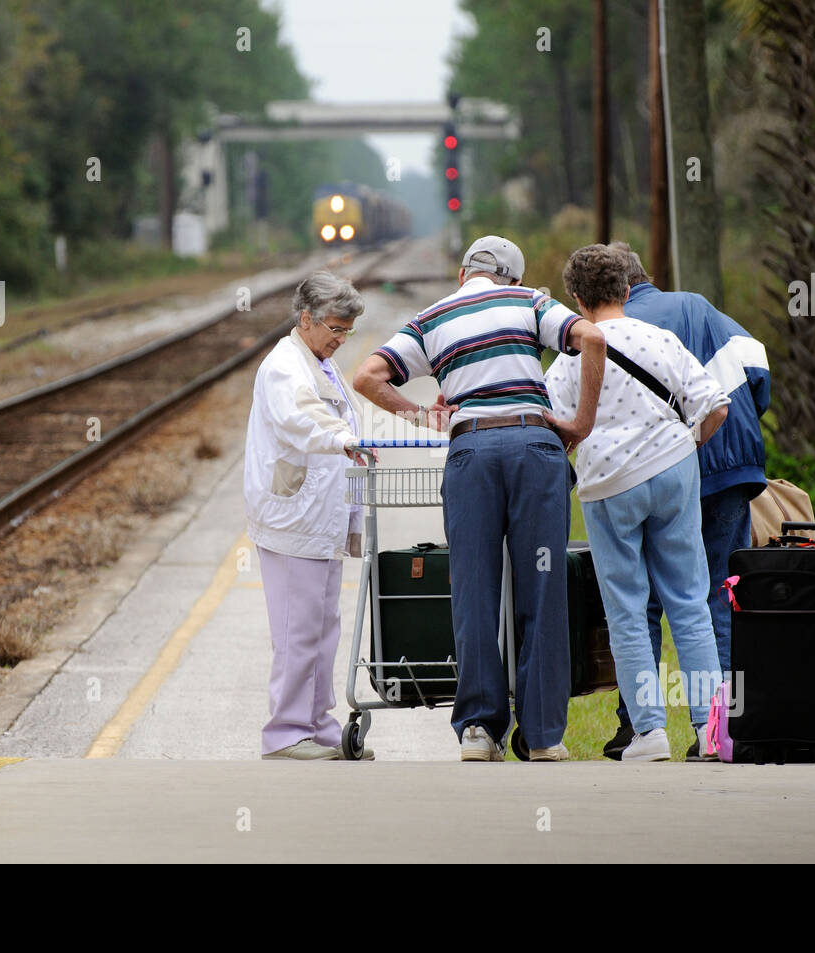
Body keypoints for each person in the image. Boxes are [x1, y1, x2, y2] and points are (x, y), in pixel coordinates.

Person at [353, 236, 606, 762]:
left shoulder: (431, 318)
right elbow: (594, 340)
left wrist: (423, 415)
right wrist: (580, 423)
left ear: (465, 273)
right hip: (534, 448)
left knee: (472, 590)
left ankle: (478, 730)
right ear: (511, 276)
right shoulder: (529, 302)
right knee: (543, 589)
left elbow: (367, 376)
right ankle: (541, 737)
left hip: (470, 452)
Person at [545, 244, 729, 762]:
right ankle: (711, 730)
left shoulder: (567, 359)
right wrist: (686, 446)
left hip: (609, 487)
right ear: (628, 290)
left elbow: (555, 428)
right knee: (690, 605)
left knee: (626, 611)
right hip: (672, 471)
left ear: (577, 300)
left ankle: (648, 733)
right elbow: (716, 405)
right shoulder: (661, 339)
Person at [600, 242, 771, 761]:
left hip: (659, 469)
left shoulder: (609, 326)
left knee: (644, 601)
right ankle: (722, 728)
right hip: (732, 465)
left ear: (616, 290)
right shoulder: (698, 306)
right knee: (715, 593)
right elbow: (757, 371)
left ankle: (638, 727)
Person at [244, 271, 371, 761]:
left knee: (322, 627)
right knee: (298, 629)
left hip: (321, 518)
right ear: (306, 319)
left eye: (347, 332)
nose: (340, 340)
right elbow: (301, 417)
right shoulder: (284, 366)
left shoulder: (317, 359)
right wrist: (344, 439)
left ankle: (318, 725)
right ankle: (285, 733)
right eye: (335, 330)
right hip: (293, 517)